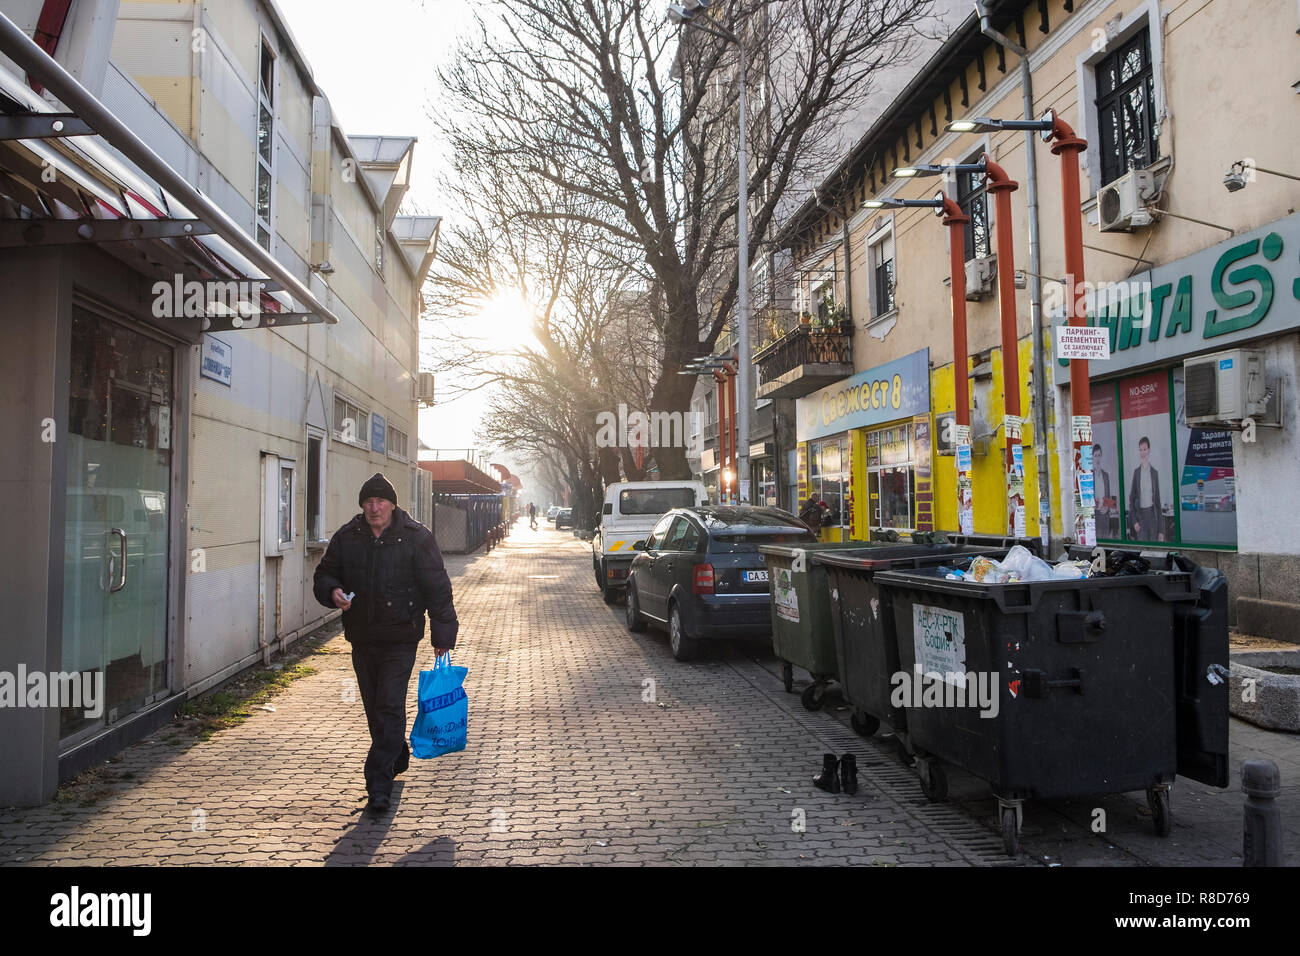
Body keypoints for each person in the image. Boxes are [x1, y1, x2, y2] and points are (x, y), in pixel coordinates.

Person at [313, 473, 458, 813]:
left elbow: (438, 587)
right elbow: (325, 573)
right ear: (362, 504)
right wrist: (332, 591)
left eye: (380, 501)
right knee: (375, 710)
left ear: (392, 505)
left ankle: (378, 785)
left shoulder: (415, 538)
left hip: (401, 637)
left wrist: (443, 636)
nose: (374, 507)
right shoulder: (348, 537)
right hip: (362, 637)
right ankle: (396, 753)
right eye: (368, 501)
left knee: (389, 705)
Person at [1128, 436, 1163, 541]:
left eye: (1144, 449)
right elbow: (1131, 500)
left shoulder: (1154, 473)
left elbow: (1157, 502)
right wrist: (1135, 522)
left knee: (1154, 550)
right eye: (1140, 450)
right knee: (1143, 550)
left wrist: (1161, 530)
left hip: (1152, 517)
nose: (1142, 452)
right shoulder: (1136, 473)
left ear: (1149, 450)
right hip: (1141, 518)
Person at [1093, 444, 1116, 539]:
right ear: (1092, 458)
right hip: (1095, 516)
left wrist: (1107, 507)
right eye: (1095, 456)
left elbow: (1108, 496)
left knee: (1106, 541)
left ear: (1101, 457)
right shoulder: (1090, 476)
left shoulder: (1106, 475)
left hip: (1105, 515)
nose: (1097, 458)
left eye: (1099, 455)